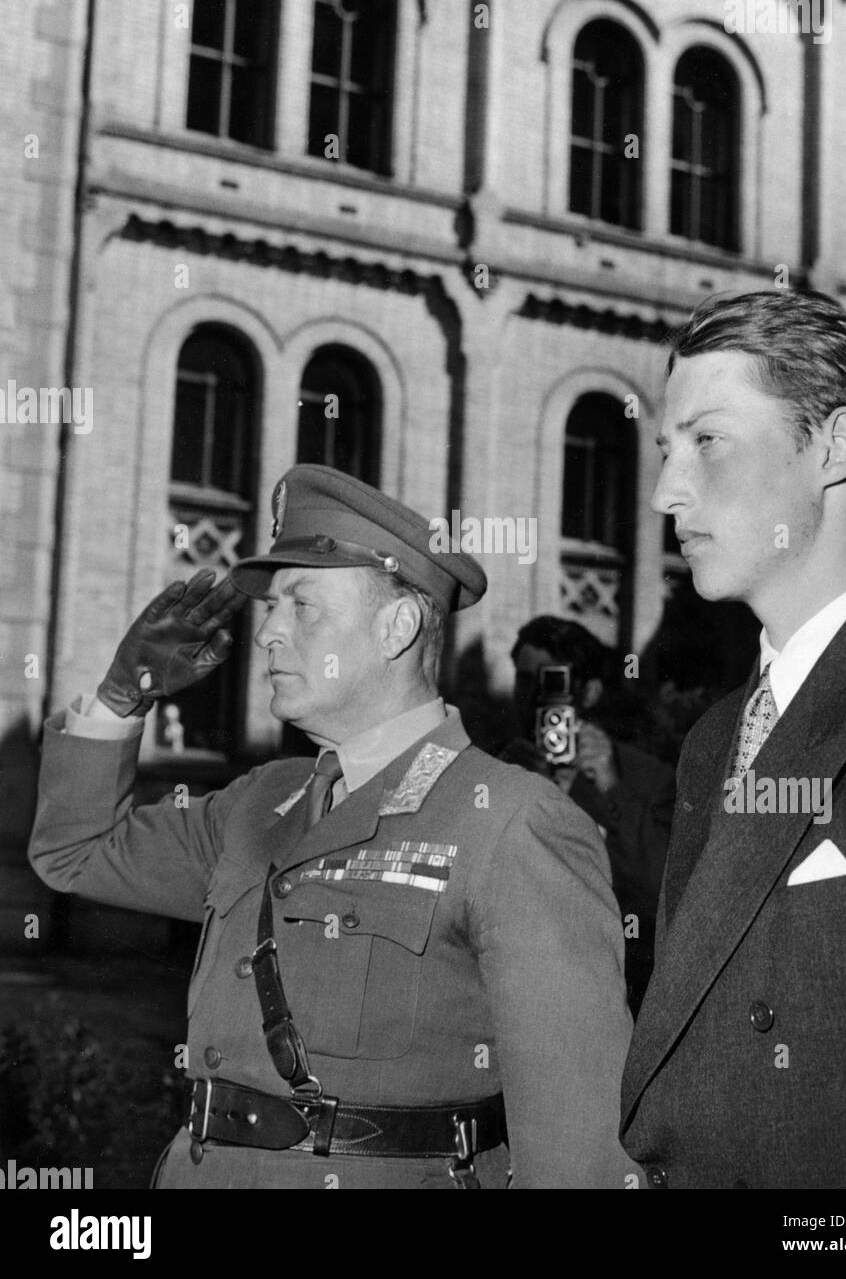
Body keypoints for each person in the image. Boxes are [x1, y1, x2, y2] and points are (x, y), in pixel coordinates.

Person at [30, 465, 638, 1189]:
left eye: (303, 606)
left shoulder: (511, 821)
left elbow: (576, 1148)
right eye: (271, 607)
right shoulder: (263, 800)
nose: (270, 634)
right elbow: (75, 853)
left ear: (397, 626)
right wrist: (121, 699)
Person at [621, 290, 846, 1190]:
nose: (665, 492)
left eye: (707, 442)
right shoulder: (714, 738)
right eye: (665, 451)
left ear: (833, 449)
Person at [503, 616, 675, 1012]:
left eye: (551, 683)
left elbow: (664, 892)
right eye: (524, 680)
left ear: (589, 692)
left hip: (601, 993)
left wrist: (610, 787)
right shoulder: (494, 766)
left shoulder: (644, 779)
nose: (533, 699)